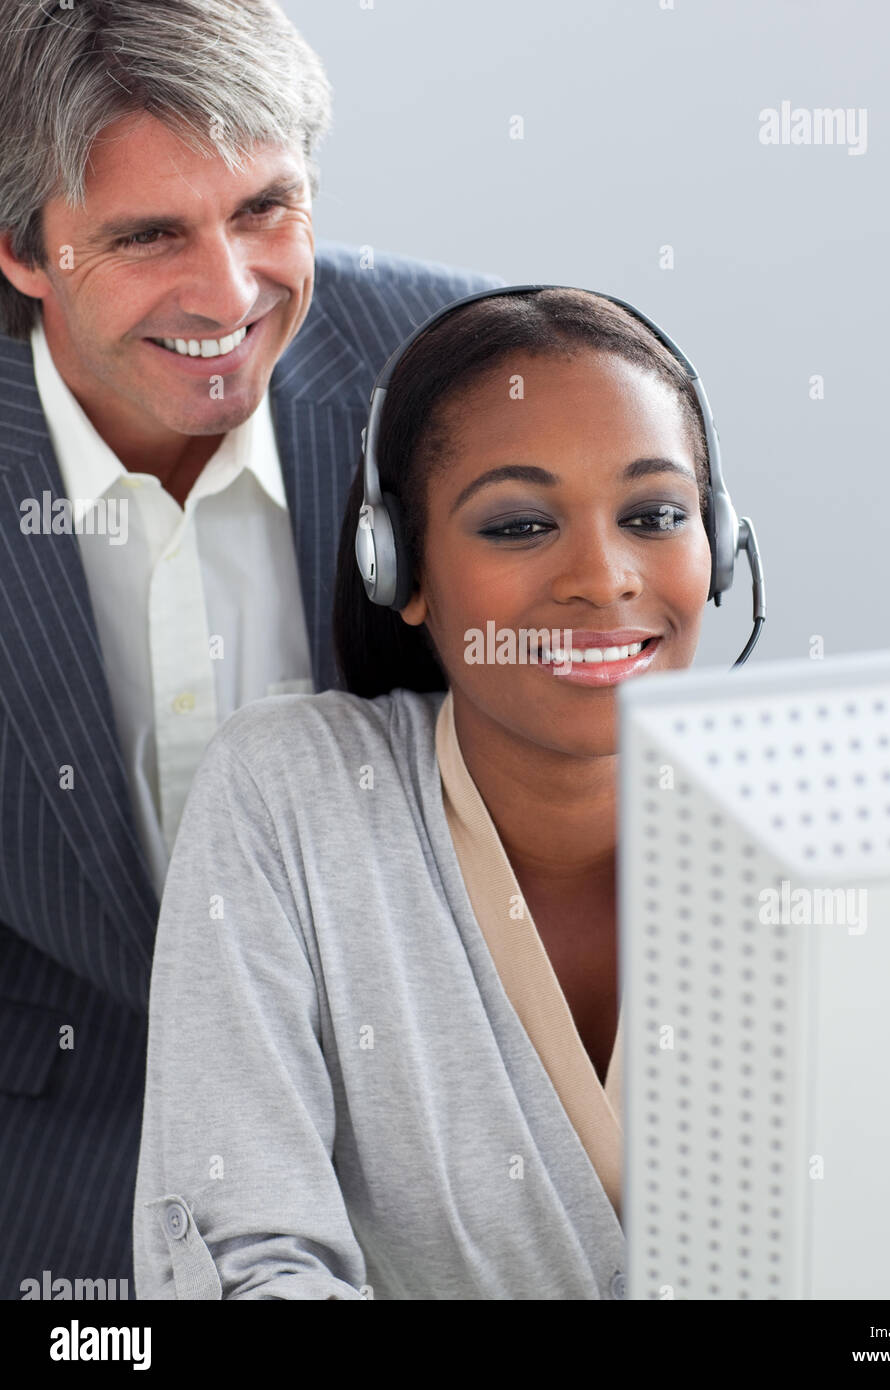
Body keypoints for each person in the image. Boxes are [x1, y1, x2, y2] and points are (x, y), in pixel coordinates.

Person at [0, 0, 502, 1301]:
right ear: (21, 249)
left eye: (267, 209)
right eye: (149, 234)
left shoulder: (464, 373)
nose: (229, 294)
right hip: (50, 1176)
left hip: (441, 1176)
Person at [133, 286, 716, 1299]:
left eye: (653, 514)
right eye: (521, 523)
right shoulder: (289, 800)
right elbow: (250, 1267)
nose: (603, 576)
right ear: (397, 567)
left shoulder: (814, 823)